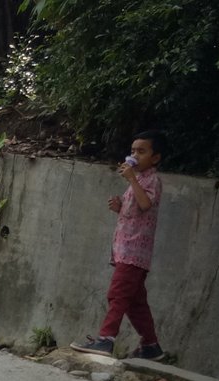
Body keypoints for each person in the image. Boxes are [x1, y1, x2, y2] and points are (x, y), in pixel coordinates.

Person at [71, 131, 167, 361]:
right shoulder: (140, 180)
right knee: (135, 303)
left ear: (155, 158)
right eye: (133, 151)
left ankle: (106, 339)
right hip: (126, 249)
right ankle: (151, 346)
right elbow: (135, 208)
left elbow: (145, 203)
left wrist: (132, 178)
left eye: (141, 151)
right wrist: (119, 206)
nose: (135, 155)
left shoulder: (151, 179)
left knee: (117, 294)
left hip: (135, 251)